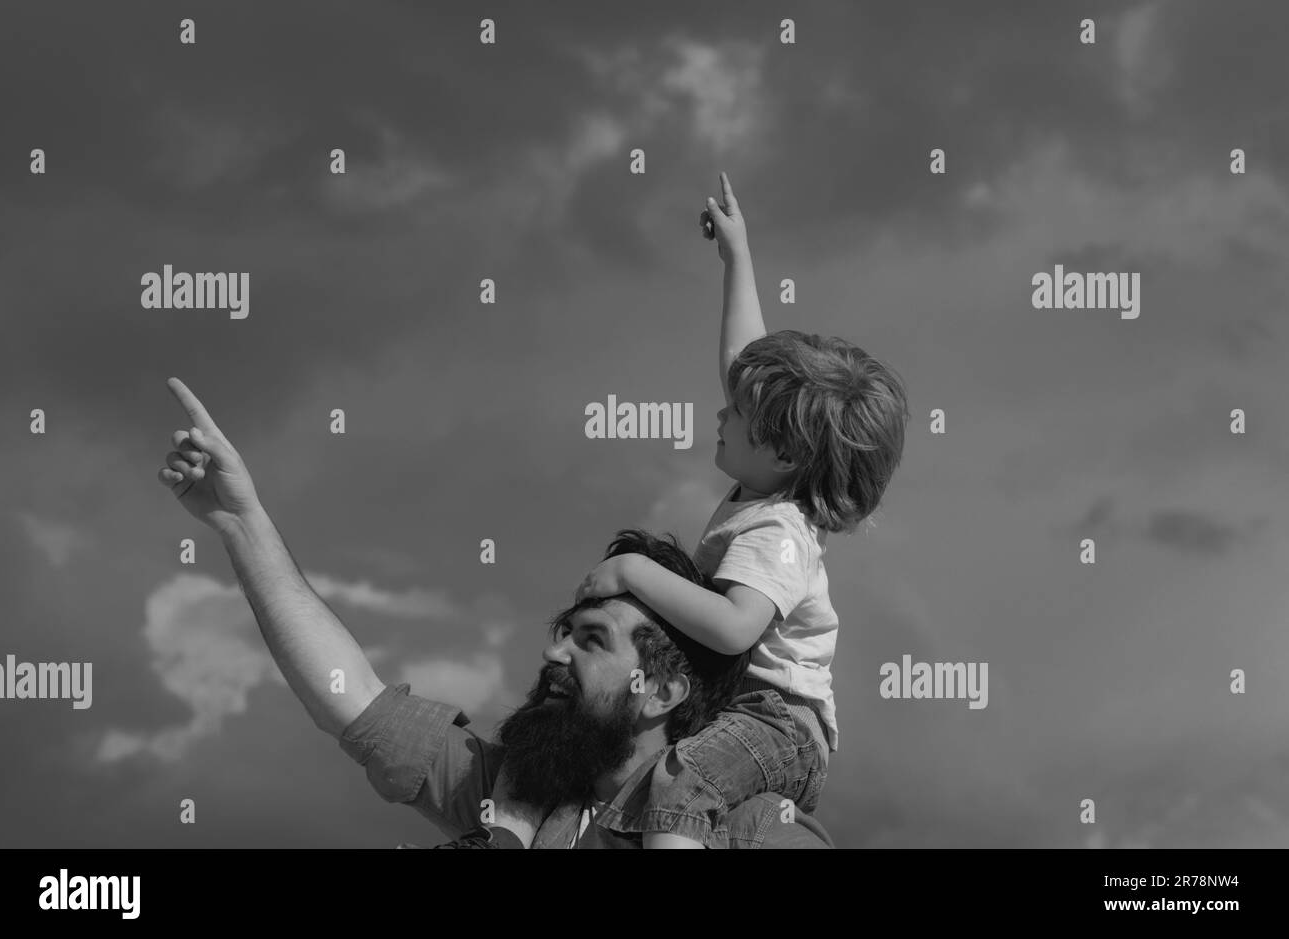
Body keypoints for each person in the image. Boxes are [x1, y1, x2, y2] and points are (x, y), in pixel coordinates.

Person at [156, 380, 833, 847]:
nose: (555, 654)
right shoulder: (514, 794)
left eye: (592, 640)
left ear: (661, 690)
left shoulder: (750, 826)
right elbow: (351, 698)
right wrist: (241, 523)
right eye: (563, 633)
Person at [487, 172, 911, 848]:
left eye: (736, 415)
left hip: (780, 723)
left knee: (680, 780)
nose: (720, 411)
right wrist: (737, 257)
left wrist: (630, 570)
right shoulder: (766, 485)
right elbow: (743, 358)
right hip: (741, 712)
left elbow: (735, 626)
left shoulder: (777, 529)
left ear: (781, 451)